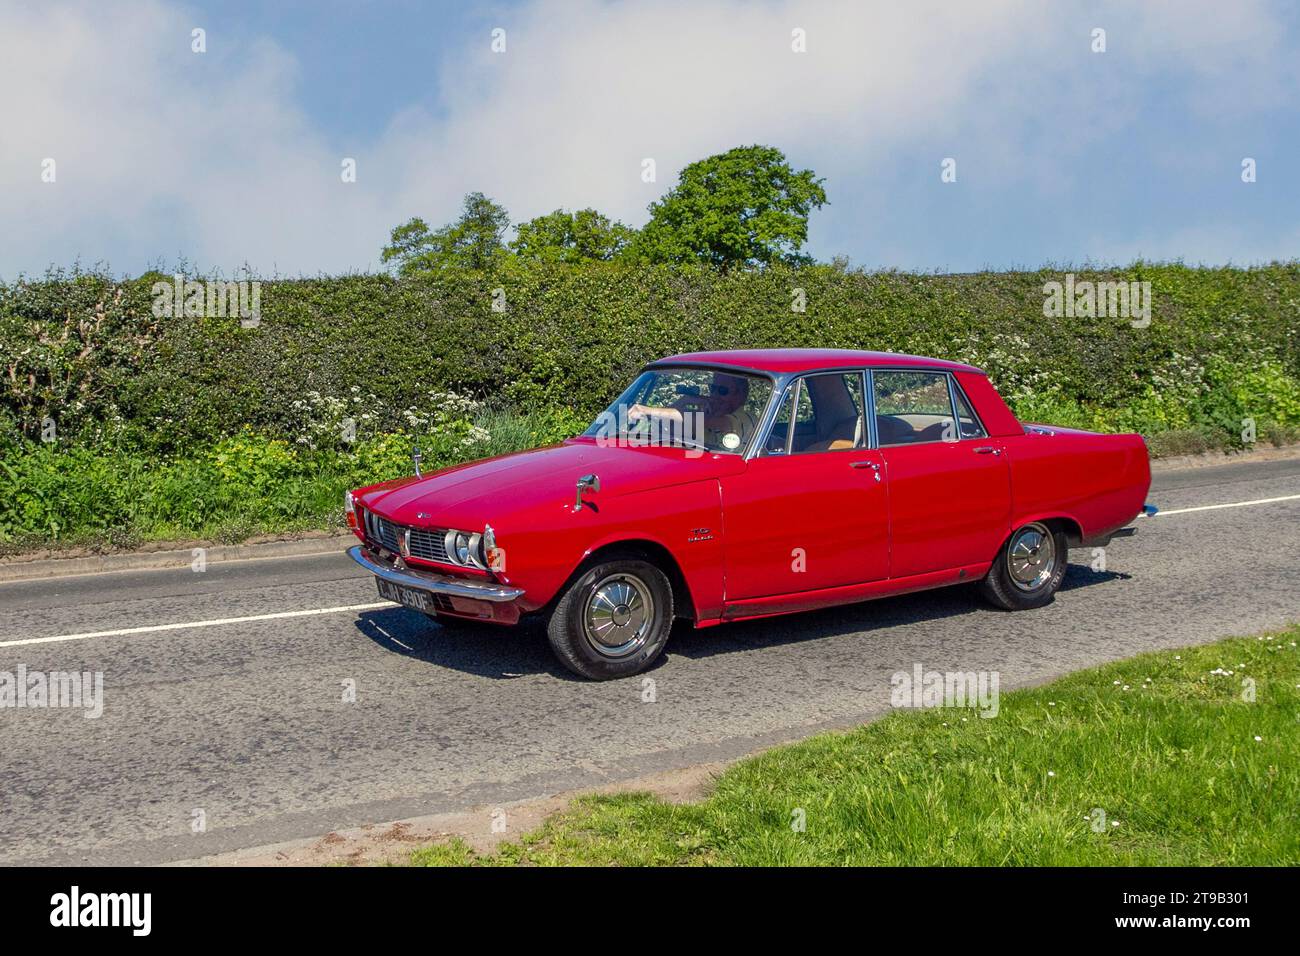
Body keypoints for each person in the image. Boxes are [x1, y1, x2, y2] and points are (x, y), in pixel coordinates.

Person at [627, 373, 758, 451]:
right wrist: (683, 402)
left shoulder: (746, 418)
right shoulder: (707, 416)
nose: (715, 395)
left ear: (739, 395)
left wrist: (648, 410)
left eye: (722, 391)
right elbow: (665, 427)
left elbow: (702, 421)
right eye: (713, 388)